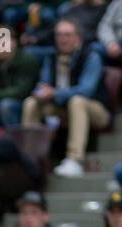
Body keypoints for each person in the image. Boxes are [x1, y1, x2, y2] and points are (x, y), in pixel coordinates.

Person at [22, 16, 112, 178]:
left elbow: (86, 91)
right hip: (62, 107)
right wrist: (40, 92)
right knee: (31, 103)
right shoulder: (51, 57)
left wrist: (55, 93)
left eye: (67, 35)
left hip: (96, 109)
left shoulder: (91, 56)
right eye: (59, 35)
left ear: (78, 38)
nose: (62, 39)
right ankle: (30, 158)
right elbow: (44, 83)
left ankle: (74, 159)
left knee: (76, 101)